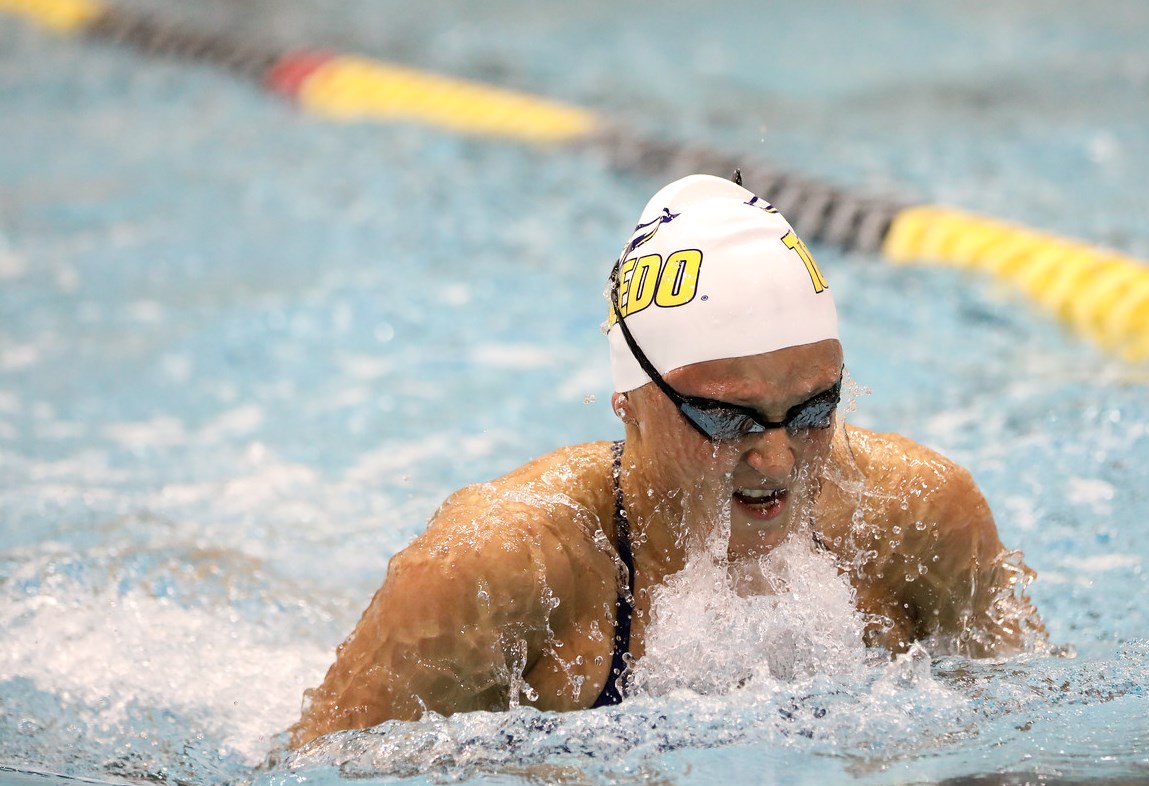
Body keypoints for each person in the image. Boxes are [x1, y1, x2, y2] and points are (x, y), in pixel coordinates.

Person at [287, 174, 1042, 749]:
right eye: (724, 415)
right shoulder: (495, 567)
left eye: (814, 408)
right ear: (630, 397)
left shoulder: (918, 514)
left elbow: (1029, 727)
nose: (775, 455)